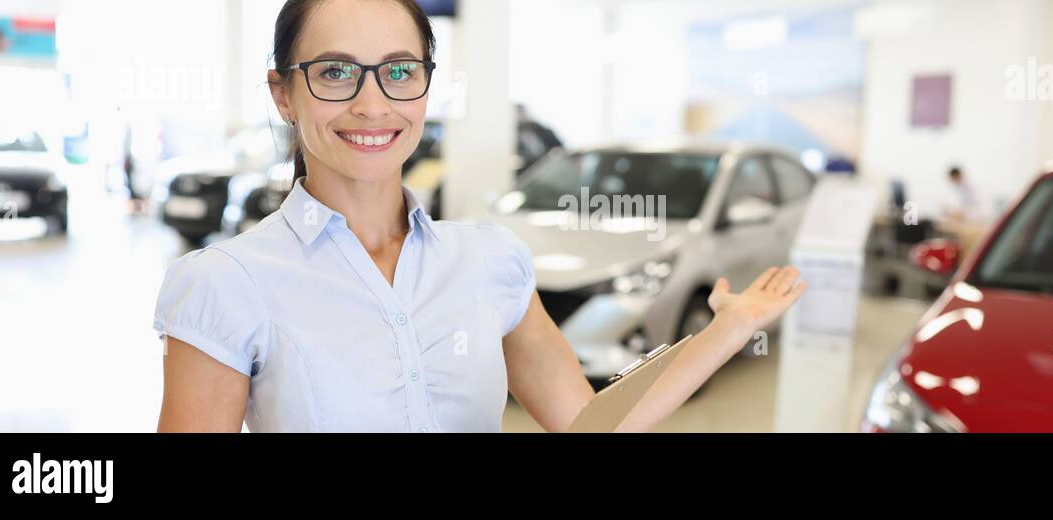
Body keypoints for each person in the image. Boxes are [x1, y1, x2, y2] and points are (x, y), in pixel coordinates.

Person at [153, 0, 807, 433]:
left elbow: (589, 422)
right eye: (335, 72)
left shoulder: (490, 260)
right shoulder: (226, 282)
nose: (372, 103)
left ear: (426, 85)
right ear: (284, 94)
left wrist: (725, 332)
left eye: (399, 72)